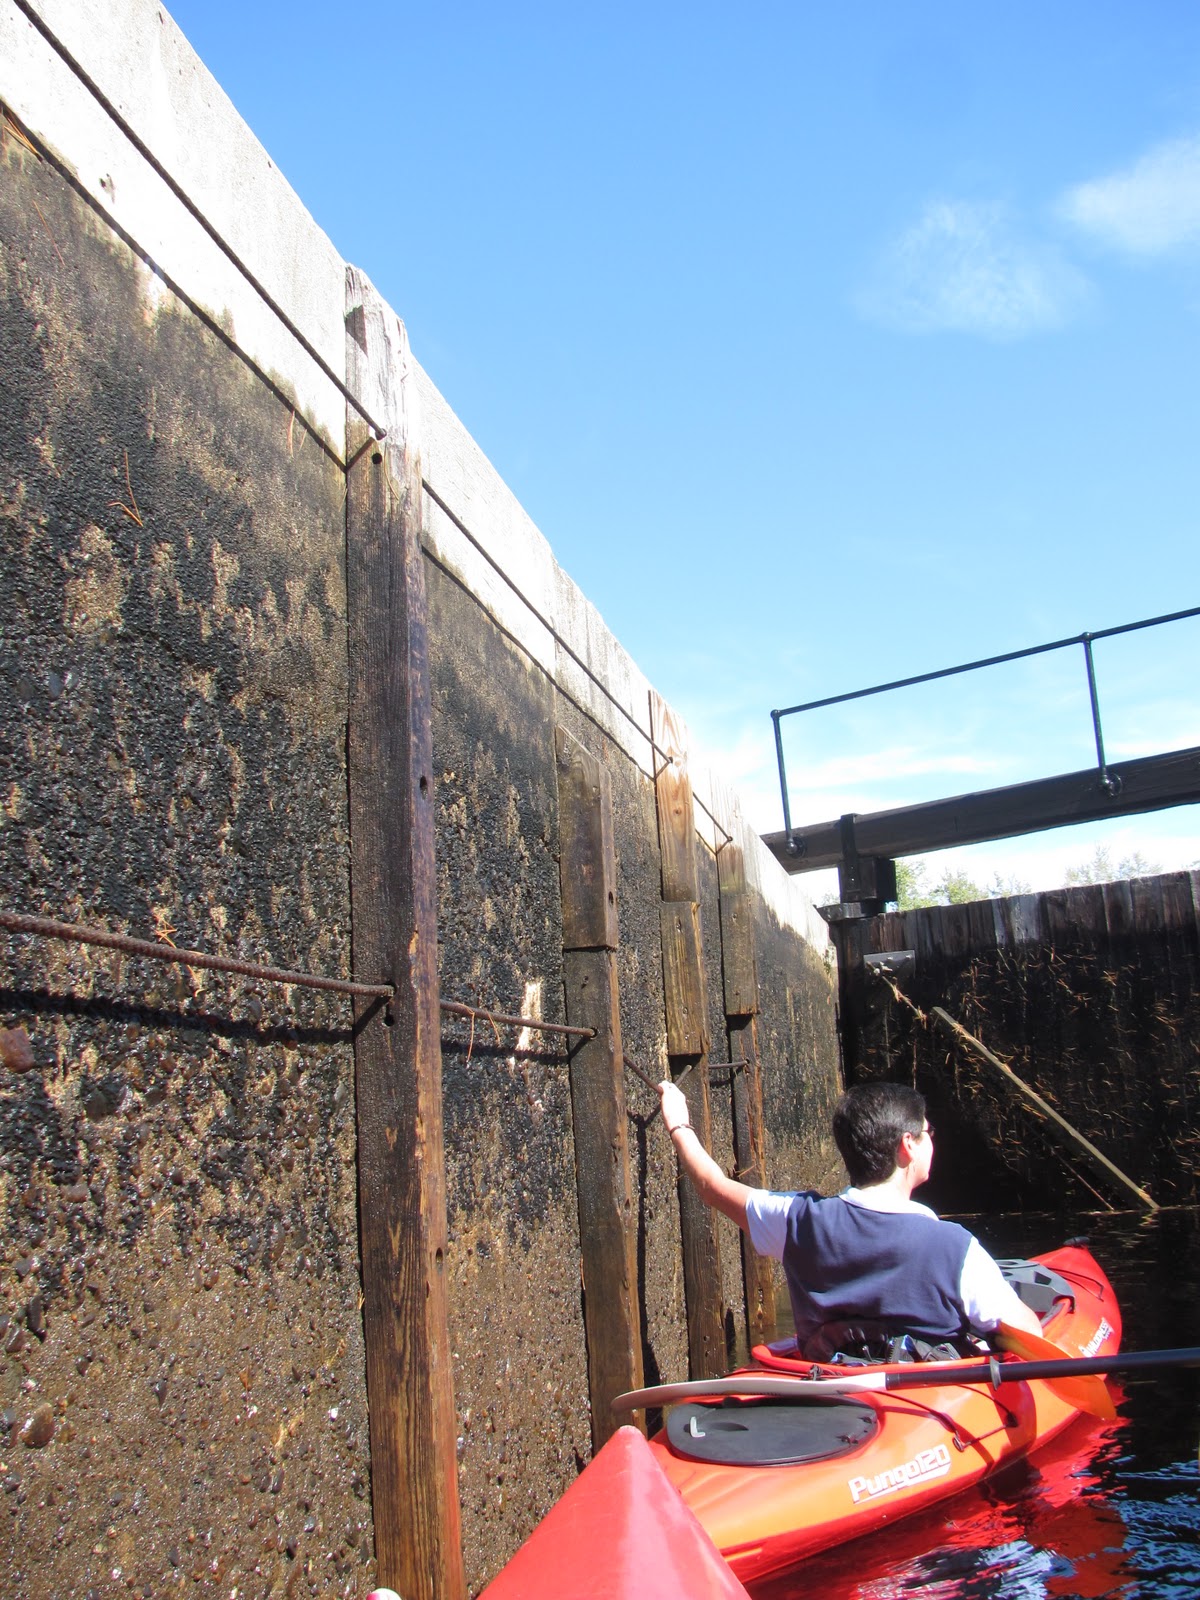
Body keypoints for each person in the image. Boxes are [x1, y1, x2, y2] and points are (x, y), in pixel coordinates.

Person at [657, 1076, 1043, 1360]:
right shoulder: (956, 1248)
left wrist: (678, 1122)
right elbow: (1029, 1333)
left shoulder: (796, 1220)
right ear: (907, 1146)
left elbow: (711, 1185)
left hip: (833, 1389)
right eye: (927, 1132)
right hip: (926, 1405)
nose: (931, 1140)